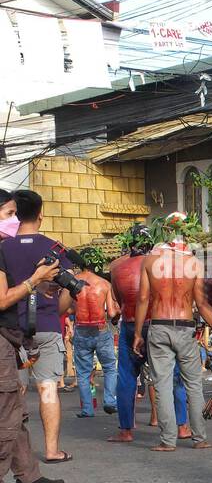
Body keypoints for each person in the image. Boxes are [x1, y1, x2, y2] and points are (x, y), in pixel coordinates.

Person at [133, 230, 212, 451]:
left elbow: (143, 298)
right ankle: (200, 438)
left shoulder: (150, 261)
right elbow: (202, 304)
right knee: (194, 385)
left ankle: (168, 440)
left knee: (162, 385)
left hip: (159, 326)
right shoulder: (193, 263)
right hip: (185, 327)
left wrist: (138, 333)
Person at [0, 190, 74, 463]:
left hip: (11, 331)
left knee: (12, 395)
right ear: (41, 214)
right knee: (48, 388)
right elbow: (68, 295)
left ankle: (18, 455)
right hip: (46, 326)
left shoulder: (4, 247)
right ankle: (52, 450)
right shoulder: (54, 248)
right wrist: (55, 310)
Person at [107, 228, 191, 444]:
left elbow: (118, 298)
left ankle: (126, 431)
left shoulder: (116, 266)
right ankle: (182, 426)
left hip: (131, 323)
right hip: (160, 323)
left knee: (126, 377)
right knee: (172, 375)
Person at [0, 241, 65, 483]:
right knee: (6, 411)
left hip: (9, 337)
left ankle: (28, 475)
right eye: (8, 213)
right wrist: (34, 279)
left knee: (15, 410)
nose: (13, 220)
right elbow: (2, 300)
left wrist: (36, 283)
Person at [68, 251, 119, 418]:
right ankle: (110, 401)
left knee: (83, 372)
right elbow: (111, 313)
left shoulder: (73, 282)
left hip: (81, 329)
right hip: (101, 329)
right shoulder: (104, 284)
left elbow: (68, 308)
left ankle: (87, 409)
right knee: (110, 367)